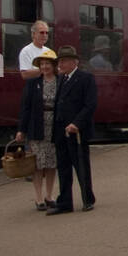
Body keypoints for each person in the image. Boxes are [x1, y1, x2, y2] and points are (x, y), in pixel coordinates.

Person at [51, 45, 98, 214]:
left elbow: (90, 104)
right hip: (61, 131)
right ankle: (64, 202)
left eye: (63, 61)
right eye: (59, 61)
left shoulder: (86, 78)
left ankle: (87, 199)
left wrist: (76, 123)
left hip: (77, 131)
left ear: (74, 62)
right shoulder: (61, 79)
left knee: (81, 166)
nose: (60, 64)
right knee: (63, 167)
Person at [15, 49, 60, 211]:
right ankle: (38, 197)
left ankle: (50, 195)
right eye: (42, 64)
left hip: (55, 127)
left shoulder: (60, 82)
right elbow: (25, 108)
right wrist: (22, 129)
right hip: (37, 126)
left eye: (48, 63)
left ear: (54, 65)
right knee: (38, 164)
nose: (45, 66)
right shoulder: (33, 84)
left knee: (51, 163)